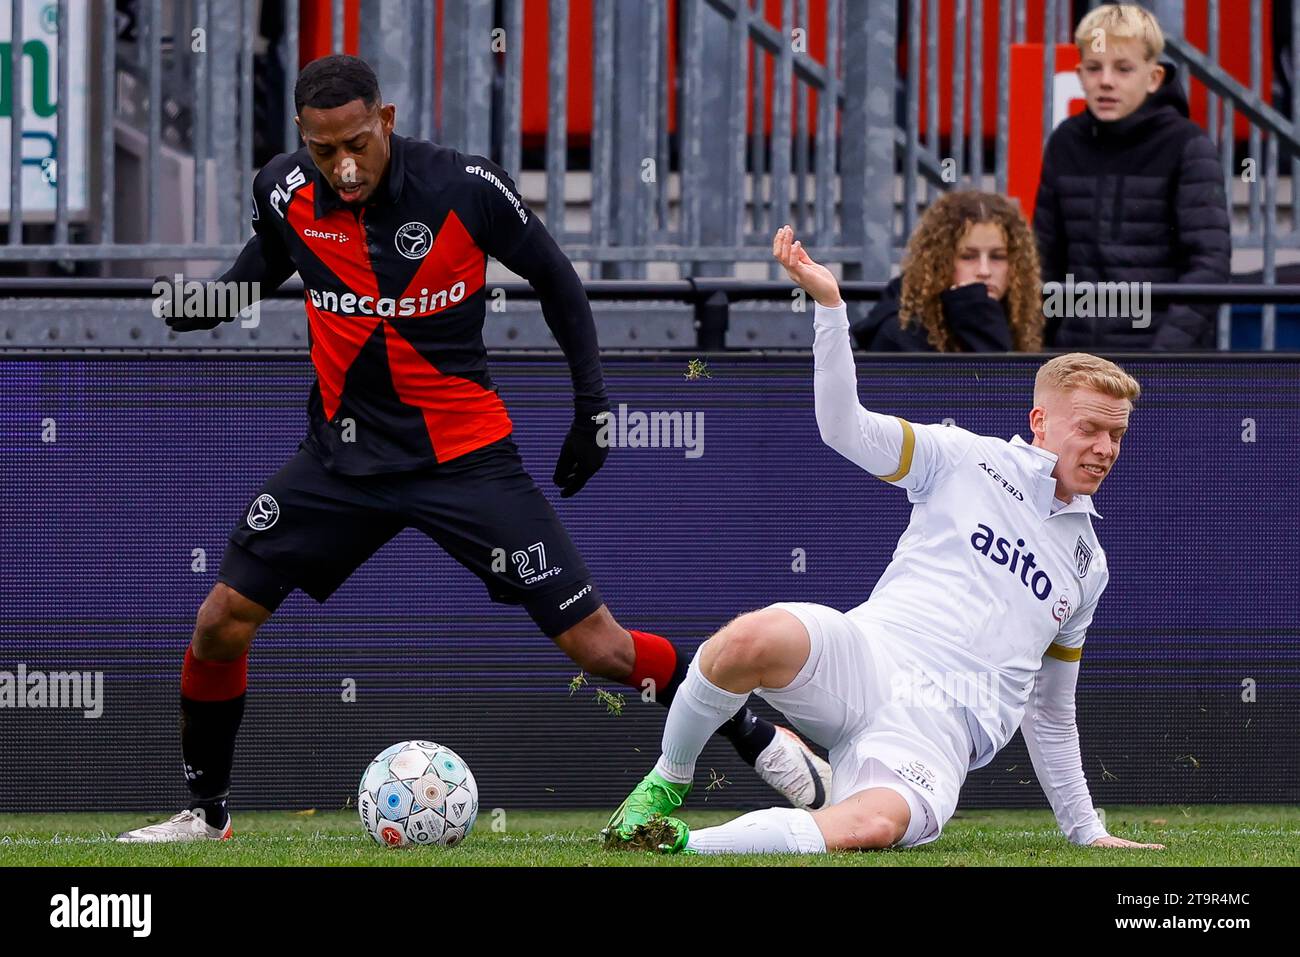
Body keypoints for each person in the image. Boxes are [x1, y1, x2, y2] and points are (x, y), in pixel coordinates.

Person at [117, 56, 827, 843]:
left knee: (601, 649)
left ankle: (756, 732)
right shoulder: (284, 188)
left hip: (465, 459)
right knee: (220, 621)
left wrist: (593, 407)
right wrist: (195, 303)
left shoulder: (465, 187)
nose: (344, 165)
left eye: (357, 141)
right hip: (339, 463)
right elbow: (262, 266)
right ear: (302, 139)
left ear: (385, 121)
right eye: (325, 151)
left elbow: (559, 282)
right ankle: (205, 813)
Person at [601, 225, 1166, 855]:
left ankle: (674, 845)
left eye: (1116, 435)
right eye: (1090, 429)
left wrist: (1087, 830)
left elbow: (1052, 710)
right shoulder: (963, 458)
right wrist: (830, 310)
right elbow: (843, 428)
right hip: (870, 656)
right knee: (750, 638)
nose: (1105, 449)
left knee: (870, 828)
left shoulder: (1089, 565)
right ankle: (663, 783)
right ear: (1039, 421)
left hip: (940, 733)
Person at [1034, 3, 1230, 350]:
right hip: (1075, 361)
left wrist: (1161, 357)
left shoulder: (1188, 145)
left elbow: (1208, 266)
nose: (1105, 81)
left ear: (1154, 77)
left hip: (1163, 363)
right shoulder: (1065, 141)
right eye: (1094, 68)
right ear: (1079, 74)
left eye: (1123, 69)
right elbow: (1044, 257)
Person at [851, 191, 1044, 352]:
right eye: (968, 257)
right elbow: (1000, 391)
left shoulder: (1021, 319)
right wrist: (978, 314)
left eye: (998, 257)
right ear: (939, 262)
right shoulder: (901, 332)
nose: (984, 271)